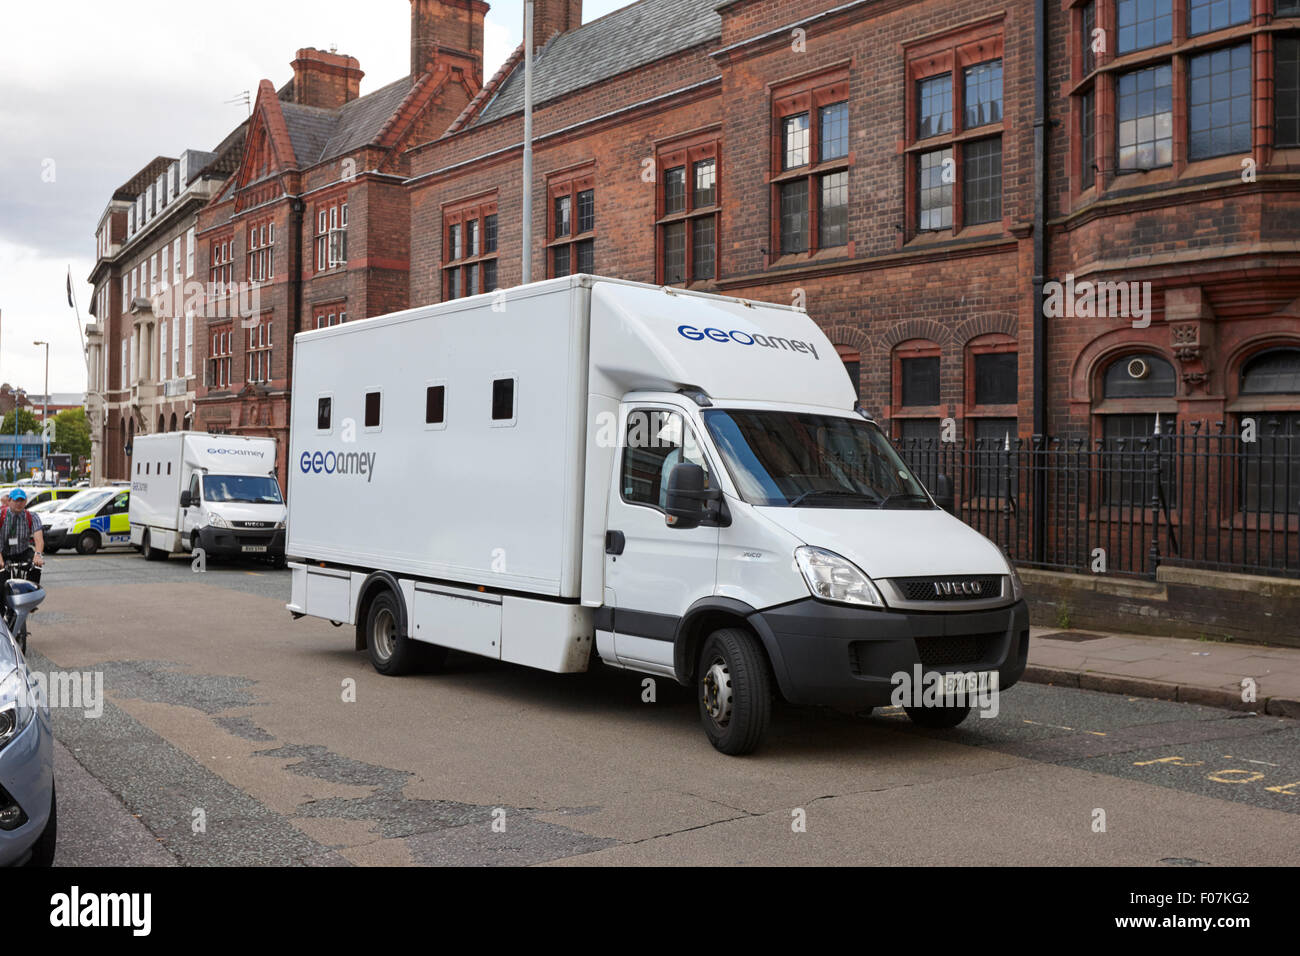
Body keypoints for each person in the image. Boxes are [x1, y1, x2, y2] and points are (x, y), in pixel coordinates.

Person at [0, 488, 45, 586]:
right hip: (3, 552)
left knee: (36, 567)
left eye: (21, 500)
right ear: (9, 501)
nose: (19, 503)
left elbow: (39, 540)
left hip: (22, 551)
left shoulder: (32, 516)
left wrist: (38, 555)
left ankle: (31, 593)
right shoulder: (1, 515)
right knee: (3, 579)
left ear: (25, 502)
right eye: (16, 500)